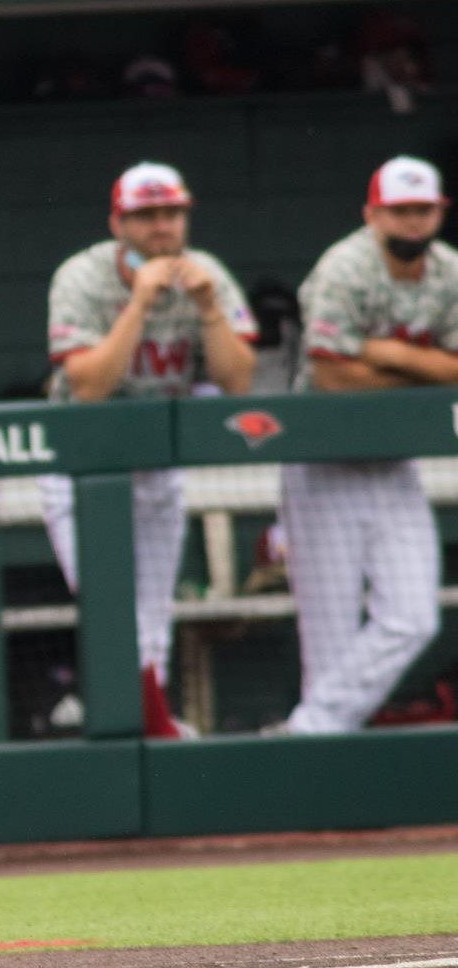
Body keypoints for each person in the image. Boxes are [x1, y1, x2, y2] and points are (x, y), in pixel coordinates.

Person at [41, 162, 256, 738]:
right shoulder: (83, 276)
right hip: (80, 466)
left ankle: (145, 729)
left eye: (171, 213)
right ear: (118, 221)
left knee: (152, 620)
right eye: (145, 215)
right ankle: (152, 729)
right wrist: (137, 304)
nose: (161, 227)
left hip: (157, 469)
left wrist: (209, 309)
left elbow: (238, 382)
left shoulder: (207, 274)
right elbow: (88, 386)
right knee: (114, 610)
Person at [273, 156, 458, 735]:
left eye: (421, 210)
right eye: (399, 211)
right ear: (372, 214)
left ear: (439, 213)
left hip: (393, 466)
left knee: (412, 617)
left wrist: (389, 353)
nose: (411, 222)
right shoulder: (344, 267)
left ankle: (303, 734)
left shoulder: (450, 270)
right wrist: (428, 369)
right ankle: (320, 762)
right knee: (328, 638)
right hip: (322, 461)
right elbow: (332, 378)